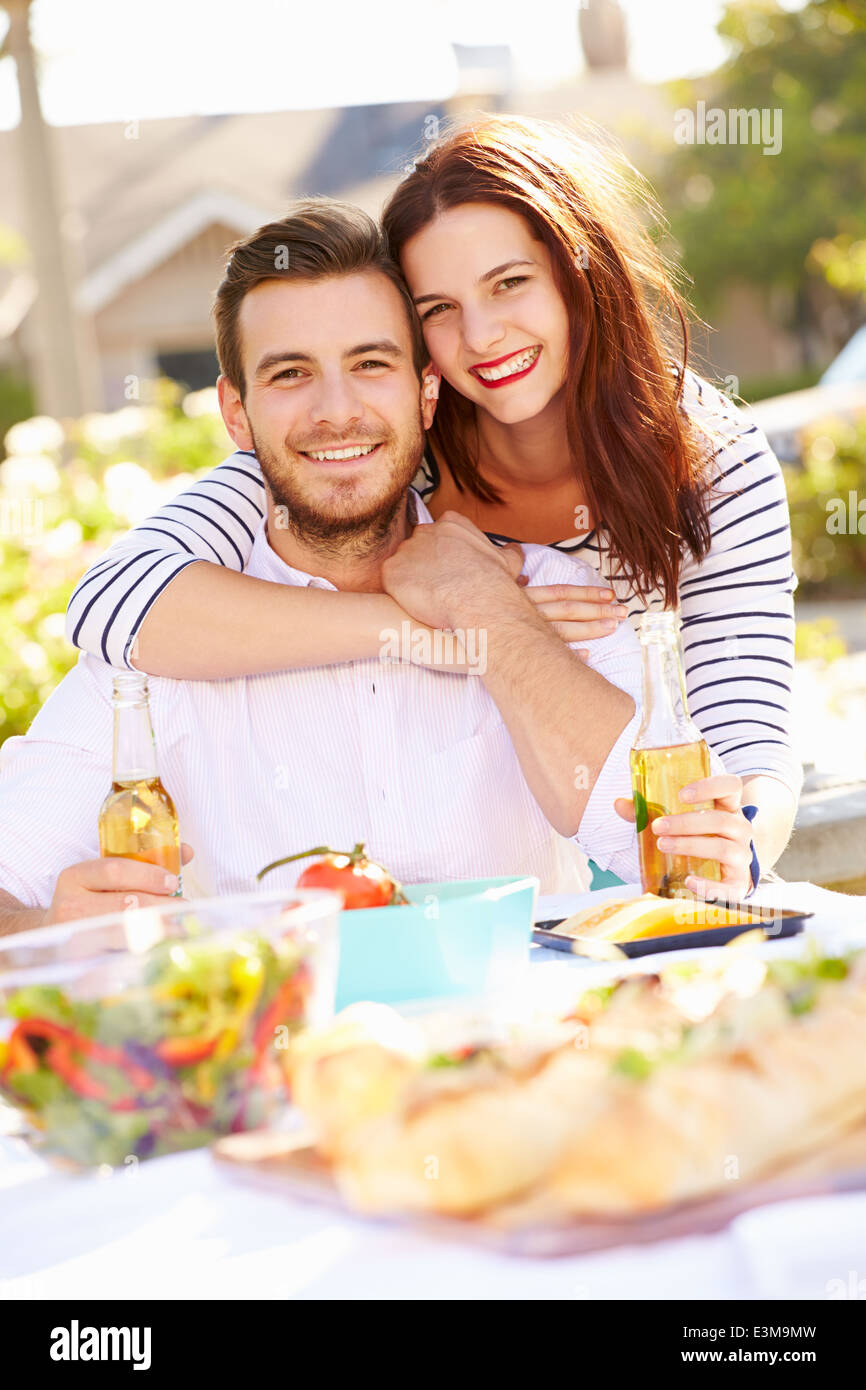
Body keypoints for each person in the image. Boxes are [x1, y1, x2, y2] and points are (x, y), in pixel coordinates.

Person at [65, 116, 799, 899]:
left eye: (509, 283)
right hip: (499, 834)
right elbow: (117, 604)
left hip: (625, 804)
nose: (481, 335)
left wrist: (735, 844)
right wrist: (441, 628)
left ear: (578, 276)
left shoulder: (703, 454)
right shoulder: (375, 447)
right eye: (438, 308)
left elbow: (746, 734)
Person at [0, 202, 642, 935]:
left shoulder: (549, 600)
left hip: (525, 1041)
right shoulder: (158, 654)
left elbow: (662, 849)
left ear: (426, 393)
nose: (337, 411)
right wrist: (49, 926)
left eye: (370, 364)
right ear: (236, 414)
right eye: (291, 373)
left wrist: (493, 617)